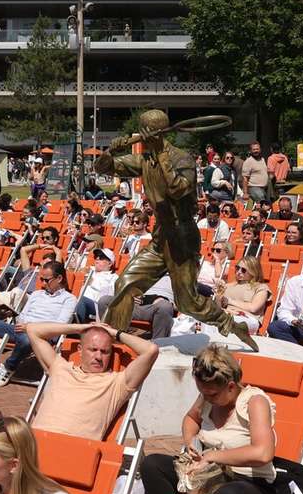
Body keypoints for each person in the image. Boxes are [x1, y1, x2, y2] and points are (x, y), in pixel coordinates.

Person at [96, 109, 256, 348]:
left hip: (182, 238)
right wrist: (110, 151)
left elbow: (177, 189)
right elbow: (103, 168)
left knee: (188, 304)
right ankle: (111, 342)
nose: (140, 136)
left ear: (154, 133)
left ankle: (231, 324)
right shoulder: (145, 160)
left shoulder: (183, 159)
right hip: (161, 237)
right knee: (125, 283)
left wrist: (161, 154)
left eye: (143, 131)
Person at [140, 346, 278, 494]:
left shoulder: (255, 402)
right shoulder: (208, 395)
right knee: (153, 465)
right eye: (203, 392)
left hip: (252, 485)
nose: (207, 398)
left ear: (231, 386)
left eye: (213, 394)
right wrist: (190, 442)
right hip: (210, 478)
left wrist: (214, 456)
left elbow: (263, 452)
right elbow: (191, 418)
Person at [25, 321, 158, 440]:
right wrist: (82, 328)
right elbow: (32, 329)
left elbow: (151, 350)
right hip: (33, 444)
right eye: (93, 350)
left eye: (105, 351)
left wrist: (114, 333)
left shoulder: (117, 384)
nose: (98, 356)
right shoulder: (60, 368)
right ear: (80, 350)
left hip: (75, 451)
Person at [0, 260, 77, 387]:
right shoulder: (36, 294)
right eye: (41, 279)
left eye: (46, 280)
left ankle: (8, 368)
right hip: (19, 329)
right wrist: (18, 320)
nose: (43, 283)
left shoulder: (69, 299)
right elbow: (23, 316)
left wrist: (30, 328)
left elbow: (60, 326)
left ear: (59, 278)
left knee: (27, 340)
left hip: (40, 336)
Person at [214, 257, 270, 335]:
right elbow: (218, 307)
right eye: (237, 268)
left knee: (221, 320)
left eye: (243, 270)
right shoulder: (227, 286)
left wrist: (229, 301)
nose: (239, 272)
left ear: (253, 272)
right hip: (227, 314)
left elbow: (253, 308)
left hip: (248, 318)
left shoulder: (261, 287)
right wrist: (218, 294)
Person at [73, 248, 119, 323]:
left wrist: (92, 283)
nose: (97, 259)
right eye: (96, 257)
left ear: (110, 263)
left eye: (101, 258)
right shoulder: (90, 270)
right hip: (77, 300)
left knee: (81, 300)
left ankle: (75, 328)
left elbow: (109, 297)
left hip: (96, 304)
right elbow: (73, 270)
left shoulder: (114, 277)